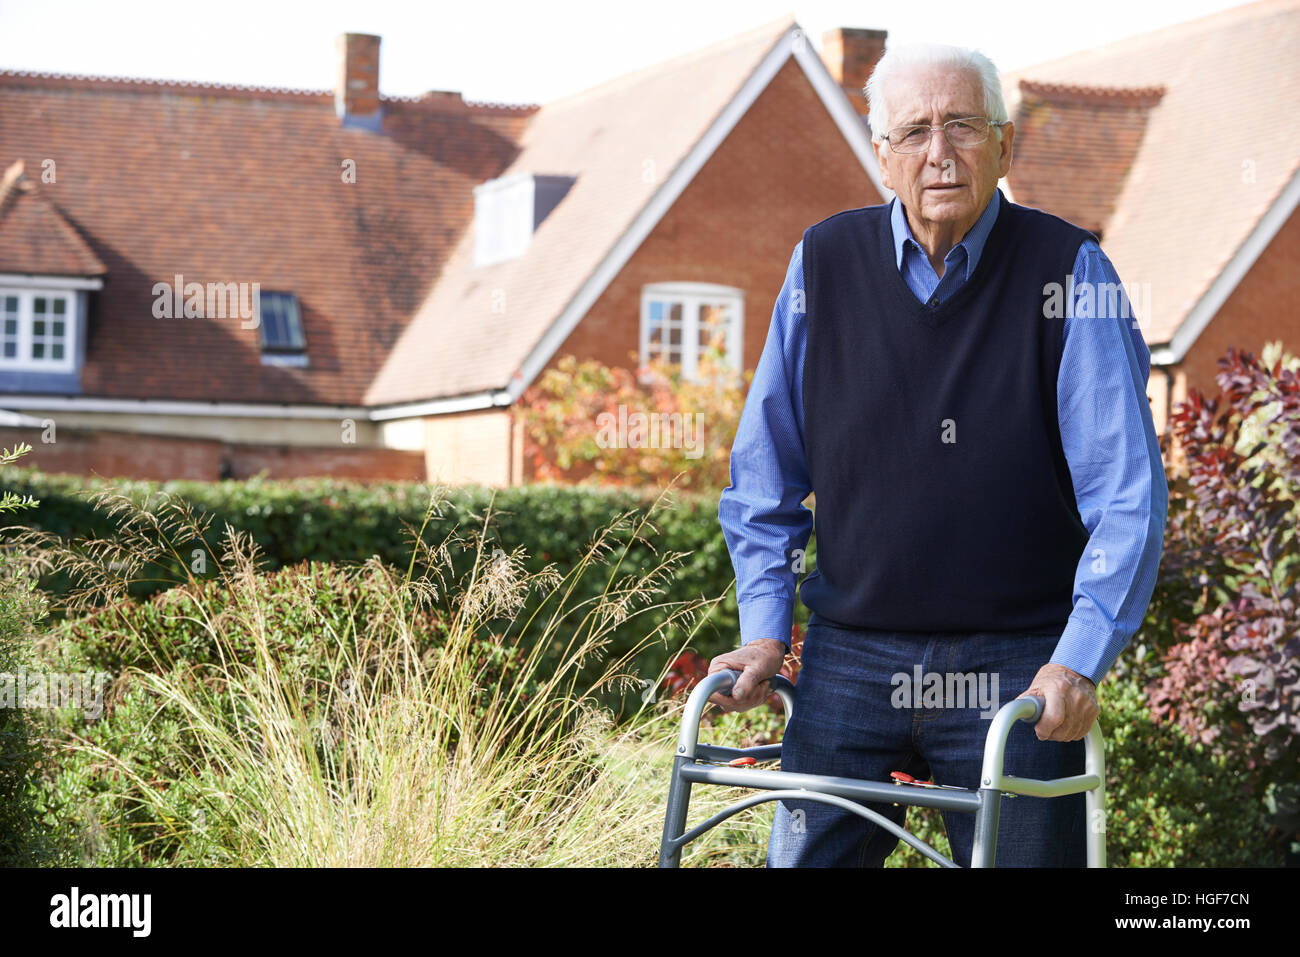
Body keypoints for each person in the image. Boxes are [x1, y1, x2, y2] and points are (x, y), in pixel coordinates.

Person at [710, 41, 1168, 867]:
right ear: (881, 154)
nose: (939, 151)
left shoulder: (1069, 271)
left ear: (1004, 144)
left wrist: (1078, 660)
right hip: (850, 654)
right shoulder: (823, 261)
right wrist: (765, 631)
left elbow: (1126, 494)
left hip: (1016, 664)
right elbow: (764, 474)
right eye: (914, 130)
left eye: (962, 124)